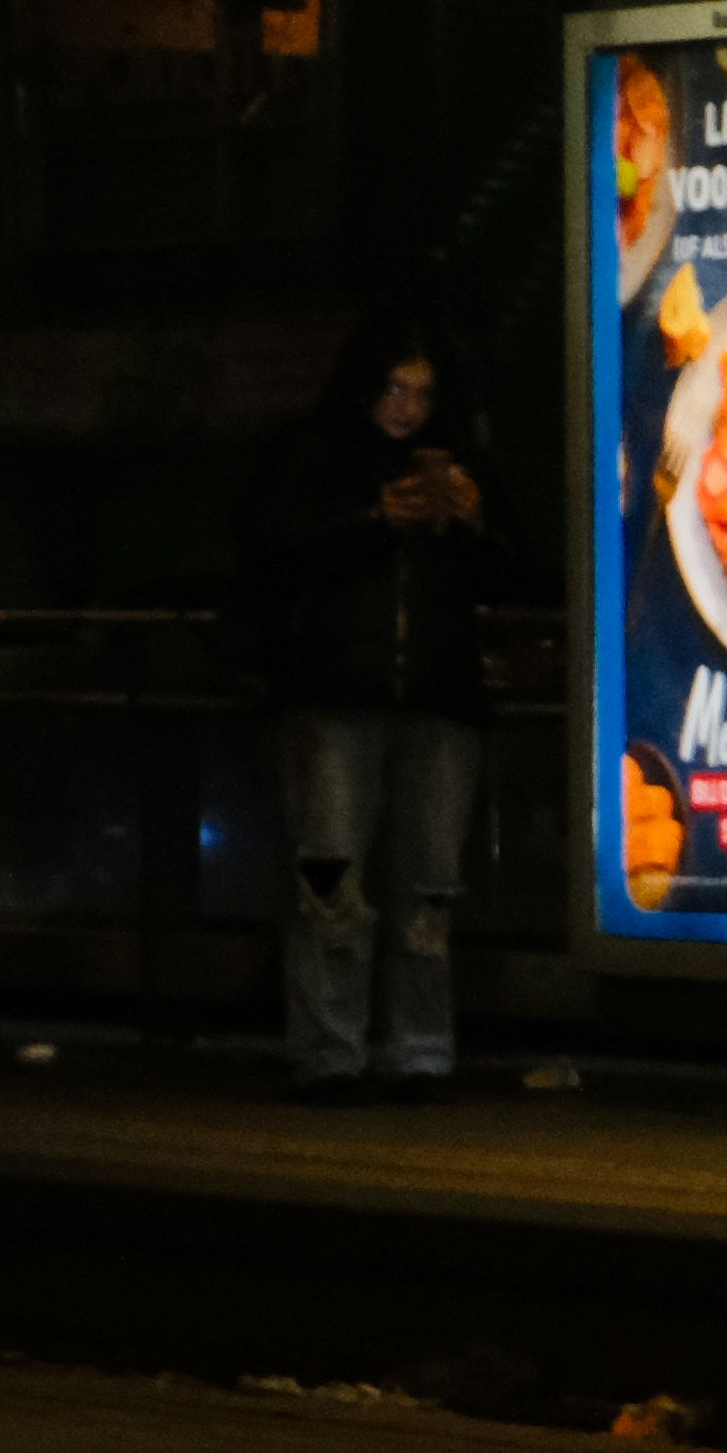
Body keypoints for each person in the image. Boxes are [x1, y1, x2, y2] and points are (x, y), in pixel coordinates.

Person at [236, 309, 512, 1105]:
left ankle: (417, 1053)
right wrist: (372, 520)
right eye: (395, 388)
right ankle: (331, 1052)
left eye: (422, 393)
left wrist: (473, 521)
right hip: (334, 693)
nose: (408, 408)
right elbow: (269, 552)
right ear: (365, 386)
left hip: (437, 697)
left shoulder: (467, 464)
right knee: (331, 879)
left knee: (429, 884)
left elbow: (516, 575)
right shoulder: (314, 456)